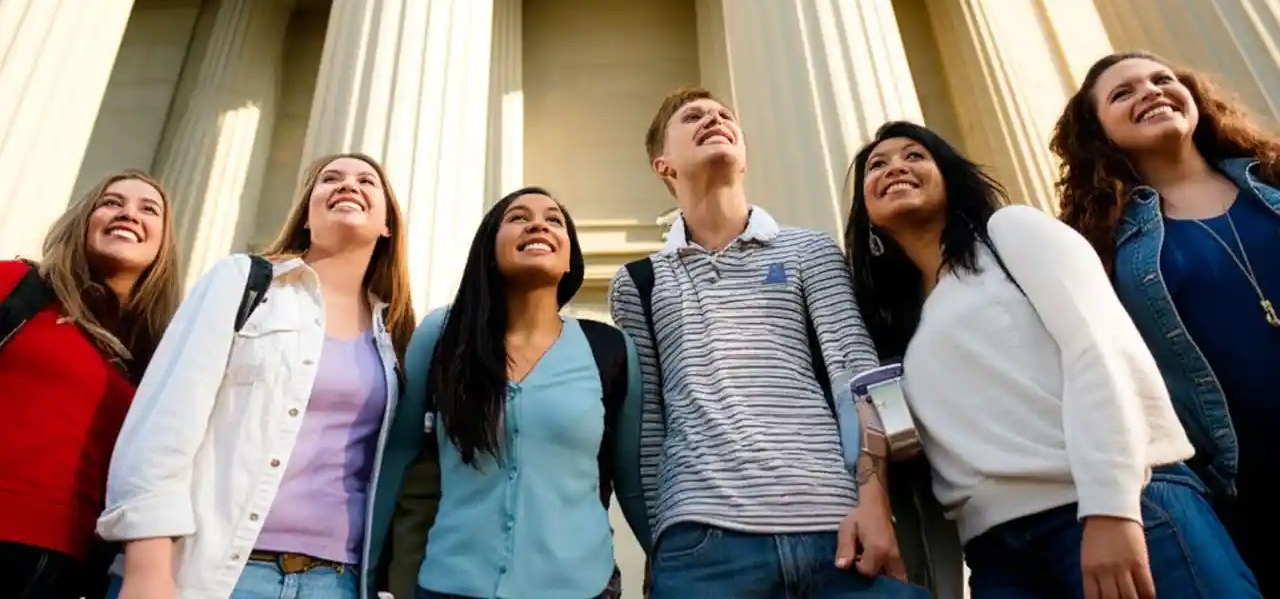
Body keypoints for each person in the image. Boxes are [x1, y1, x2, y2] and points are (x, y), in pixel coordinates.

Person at [847, 120, 1258, 599]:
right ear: (868, 214)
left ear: (951, 176)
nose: (895, 166)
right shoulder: (900, 323)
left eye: (915, 155)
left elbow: (1099, 349)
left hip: (1115, 504)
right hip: (997, 557)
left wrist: (1110, 507)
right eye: (877, 165)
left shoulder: (1008, 234)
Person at [607, 88, 926, 598]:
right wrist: (658, 543)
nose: (713, 119)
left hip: (837, 529)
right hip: (702, 546)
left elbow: (858, 375)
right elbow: (648, 429)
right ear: (663, 165)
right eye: (693, 117)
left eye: (723, 115)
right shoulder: (638, 282)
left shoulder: (809, 249)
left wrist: (875, 503)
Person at [99, 152, 415, 599]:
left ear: (388, 224)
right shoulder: (244, 282)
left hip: (336, 582)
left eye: (367, 180)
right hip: (213, 573)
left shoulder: (396, 338)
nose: (347, 185)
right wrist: (148, 568)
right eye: (329, 179)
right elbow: (163, 421)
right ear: (307, 214)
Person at [1051, 51, 1280, 592]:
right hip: (1248, 480)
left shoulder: (1272, 184)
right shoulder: (1100, 244)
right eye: (1122, 93)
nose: (1150, 91)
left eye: (1162, 79)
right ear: (1097, 131)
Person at [370, 186, 640, 599]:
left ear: (569, 258)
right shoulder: (443, 335)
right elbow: (398, 457)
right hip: (448, 586)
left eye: (554, 220)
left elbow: (632, 480)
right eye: (518, 217)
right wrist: (369, 574)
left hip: (582, 588)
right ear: (489, 250)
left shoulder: (611, 349)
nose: (538, 223)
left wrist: (670, 564)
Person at [0, 170, 179, 599]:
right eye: (111, 202)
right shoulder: (13, 285)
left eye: (148, 209)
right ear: (84, 219)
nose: (128, 214)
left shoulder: (161, 353)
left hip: (72, 568)